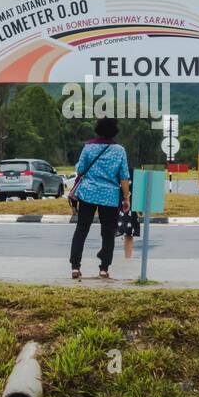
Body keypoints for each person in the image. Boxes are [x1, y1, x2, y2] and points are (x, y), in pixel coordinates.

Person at [68, 117, 131, 279]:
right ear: (114, 131)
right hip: (109, 196)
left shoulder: (88, 148)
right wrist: (126, 198)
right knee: (108, 233)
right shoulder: (119, 150)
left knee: (81, 230)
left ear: (97, 129)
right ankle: (104, 269)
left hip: (87, 194)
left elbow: (80, 169)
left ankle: (75, 267)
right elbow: (124, 176)